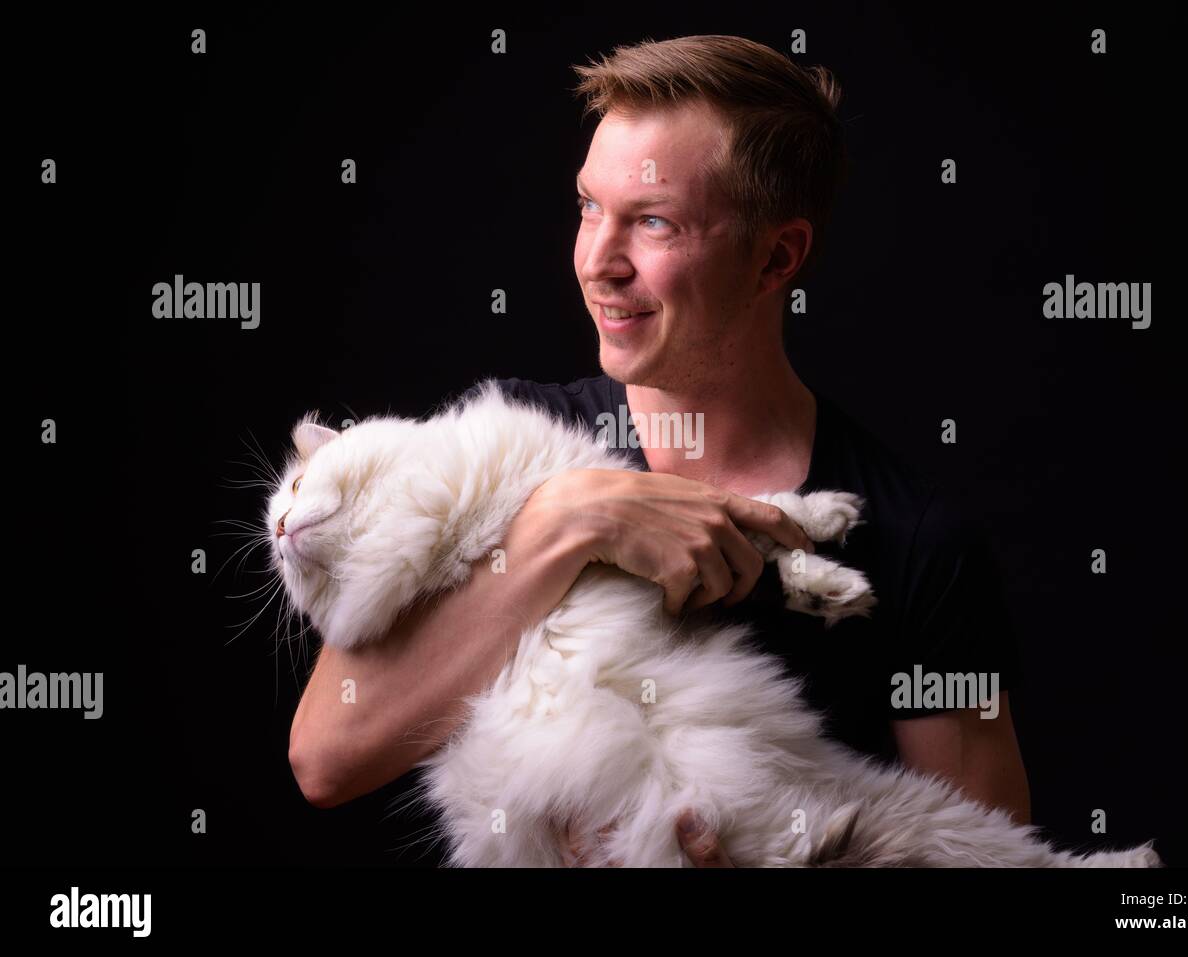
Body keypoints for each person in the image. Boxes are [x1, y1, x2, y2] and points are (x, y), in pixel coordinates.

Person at [289, 34, 1030, 867]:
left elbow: (990, 857)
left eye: (652, 221)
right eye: (586, 207)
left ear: (775, 257)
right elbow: (327, 754)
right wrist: (576, 517)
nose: (598, 261)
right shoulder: (506, 447)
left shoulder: (915, 540)